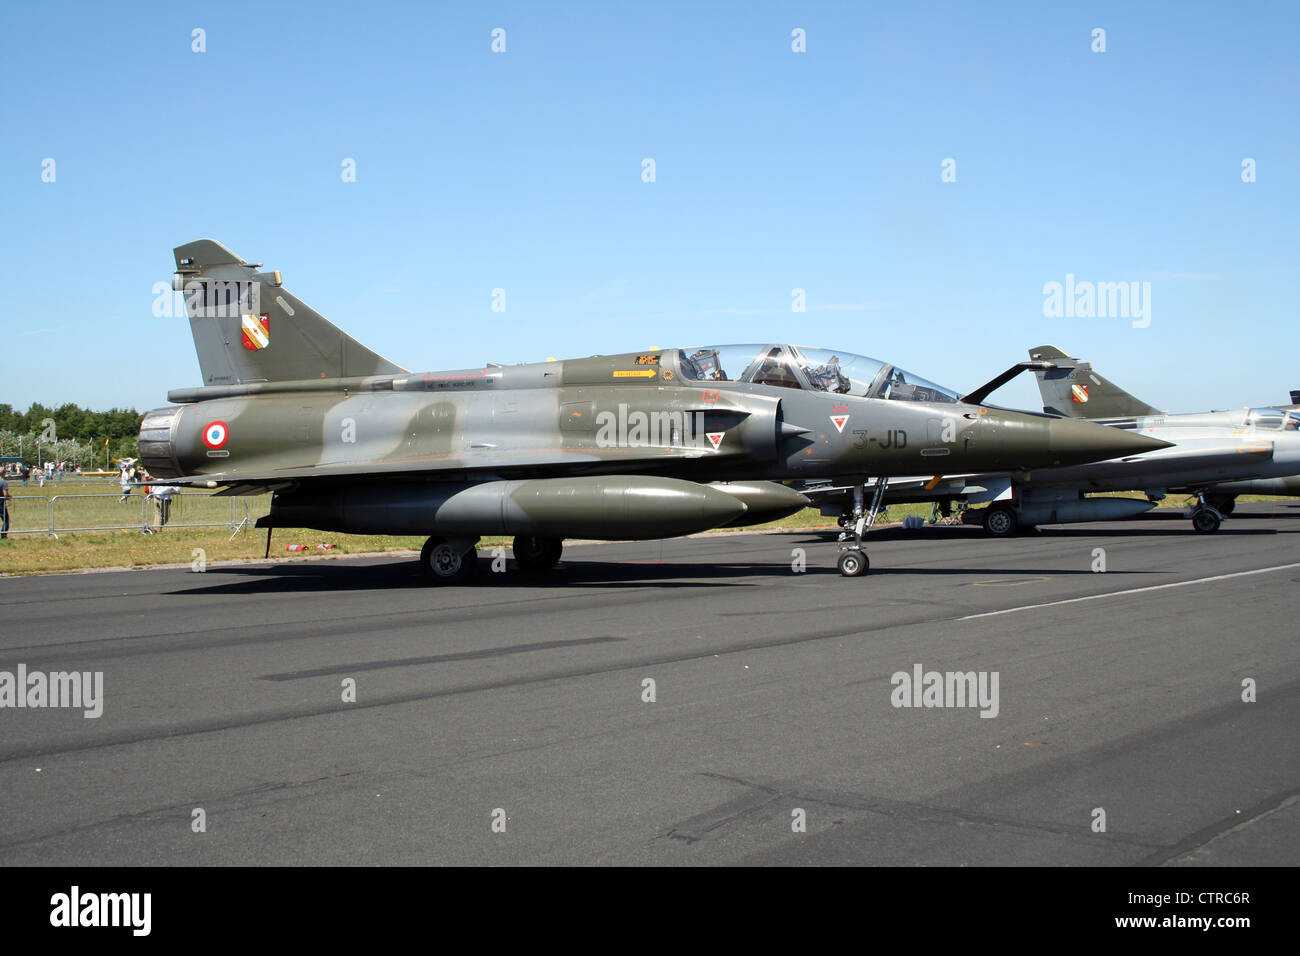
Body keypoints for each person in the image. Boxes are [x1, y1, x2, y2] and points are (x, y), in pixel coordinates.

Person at [1, 471, 9, 539]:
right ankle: (3, 535)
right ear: (3, 473)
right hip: (1, 504)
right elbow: (5, 494)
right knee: (6, 520)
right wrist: (9, 496)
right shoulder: (3, 482)